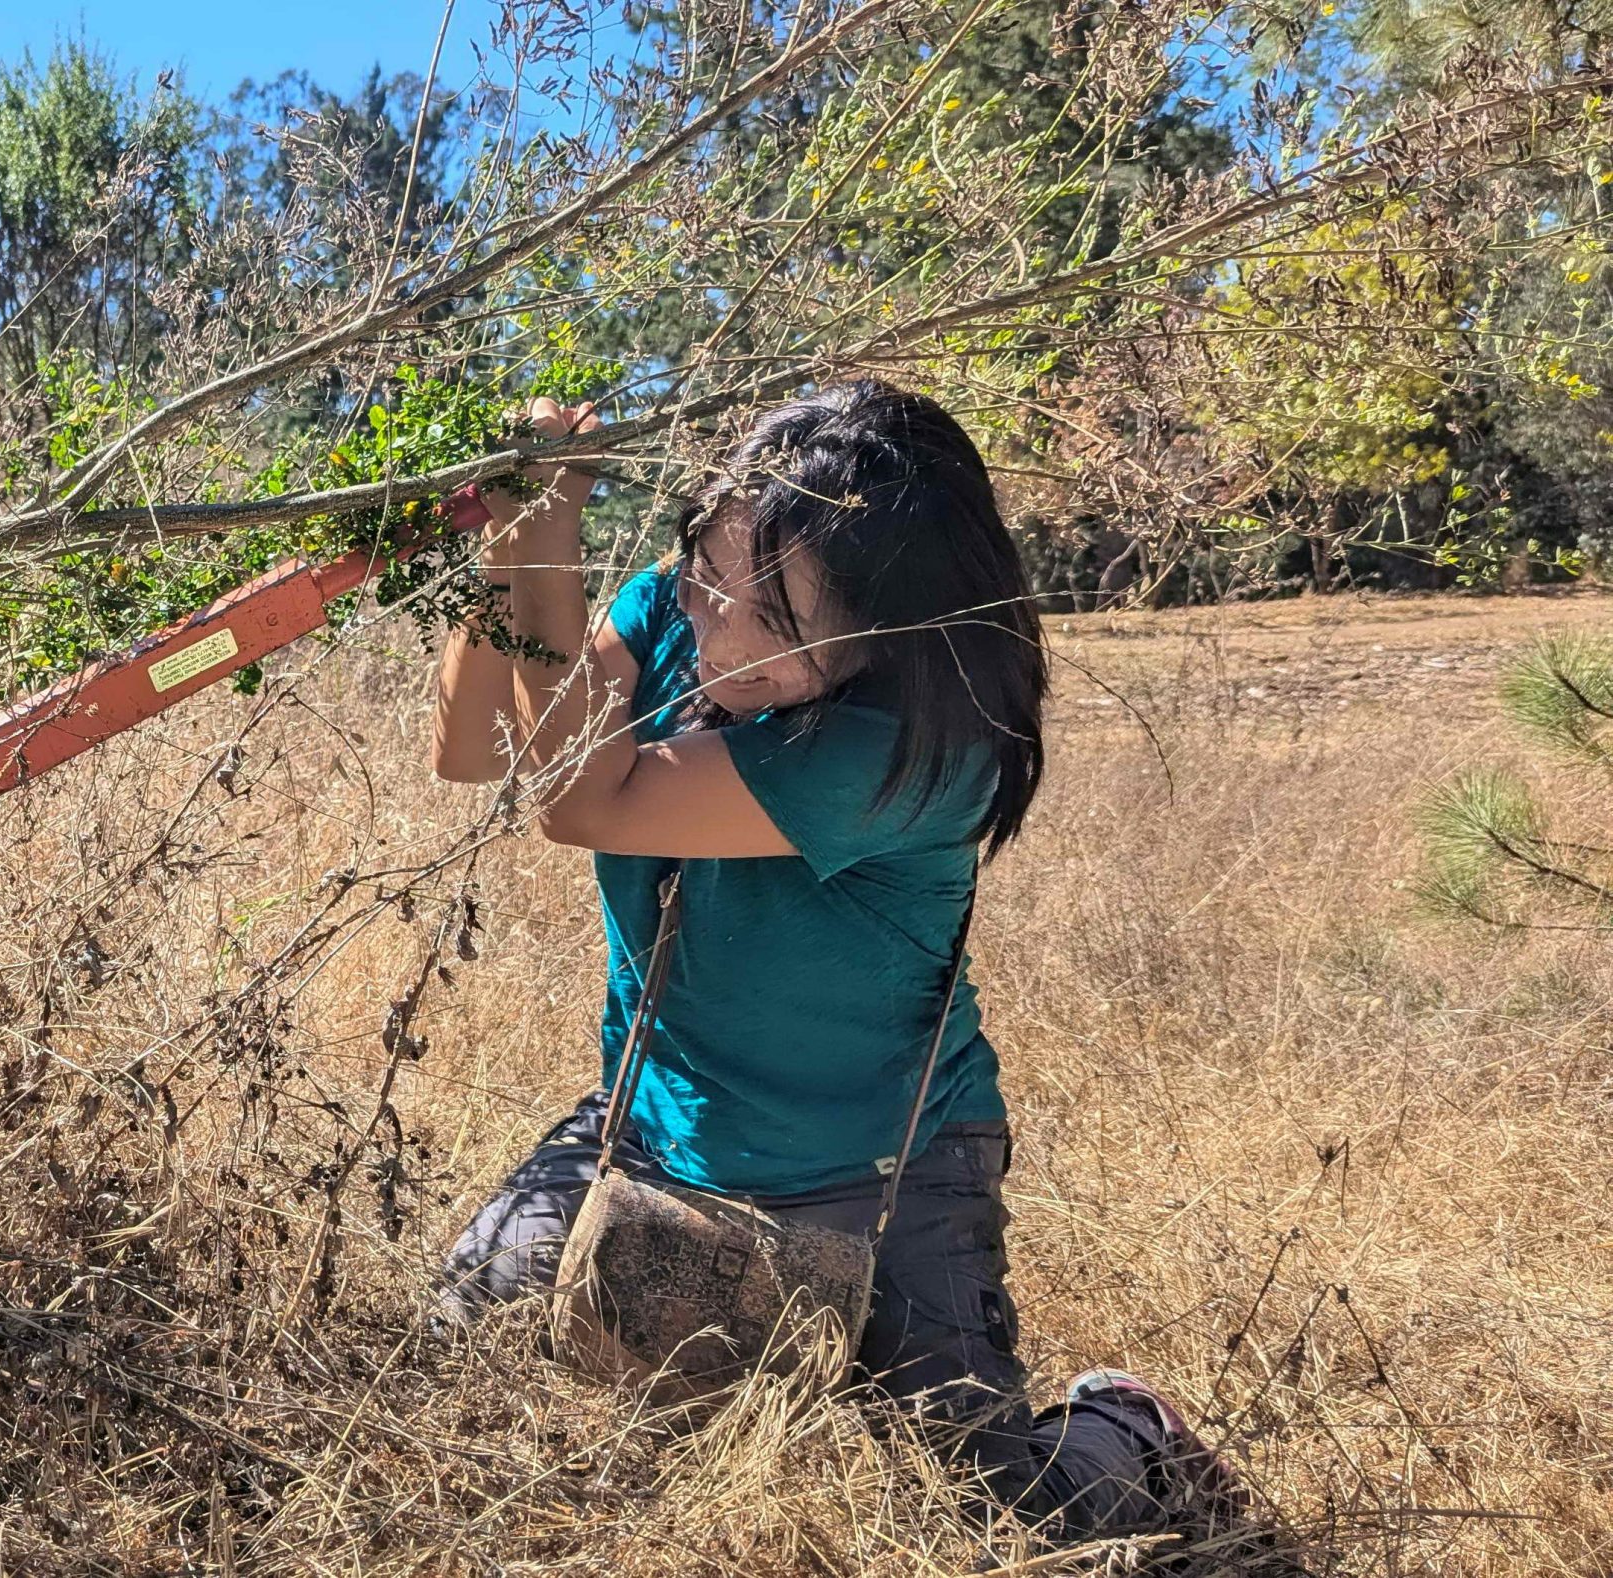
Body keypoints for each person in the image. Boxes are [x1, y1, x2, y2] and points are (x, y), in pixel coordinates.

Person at [426, 379, 1240, 1543]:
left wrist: (554, 515)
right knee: (464, 1351)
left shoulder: (913, 746)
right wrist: (519, 537)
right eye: (713, 580)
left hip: (882, 1162)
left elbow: (575, 800)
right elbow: (472, 750)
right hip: (653, 1120)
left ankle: (1127, 1428)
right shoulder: (675, 607)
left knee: (992, 1513)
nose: (723, 638)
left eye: (782, 623)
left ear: (894, 624)